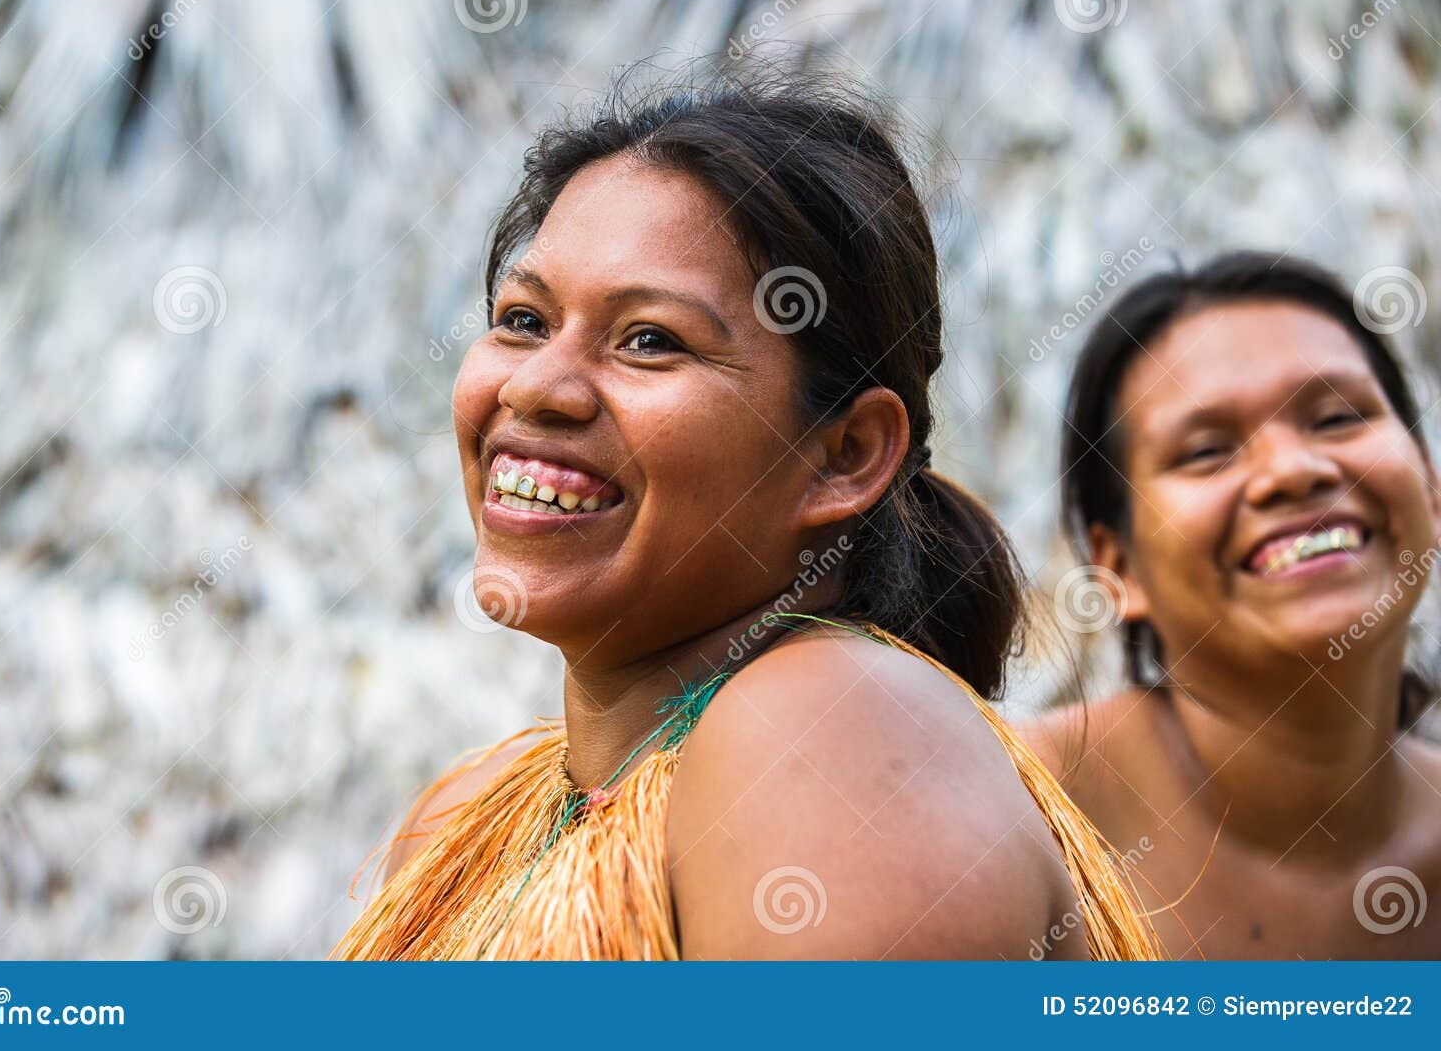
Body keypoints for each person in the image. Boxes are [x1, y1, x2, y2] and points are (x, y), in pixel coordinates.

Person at [333, 67, 1157, 960]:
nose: (535, 385)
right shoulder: (466, 818)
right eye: (524, 320)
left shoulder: (835, 733)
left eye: (650, 340)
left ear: (844, 457)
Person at [1025, 251, 1441, 958]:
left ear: (1429, 486)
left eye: (1338, 418)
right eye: (1208, 450)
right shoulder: (1022, 812)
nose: (1292, 470)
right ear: (1117, 566)